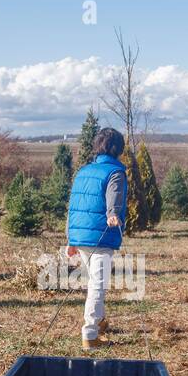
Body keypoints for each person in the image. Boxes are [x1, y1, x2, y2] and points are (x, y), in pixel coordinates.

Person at [65, 128, 128, 349]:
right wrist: (113, 215)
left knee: (95, 281)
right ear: (118, 148)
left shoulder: (84, 171)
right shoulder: (115, 172)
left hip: (81, 236)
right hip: (101, 236)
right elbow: (115, 197)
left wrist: (71, 238)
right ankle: (90, 335)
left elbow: (74, 206)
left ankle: (100, 323)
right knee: (97, 285)